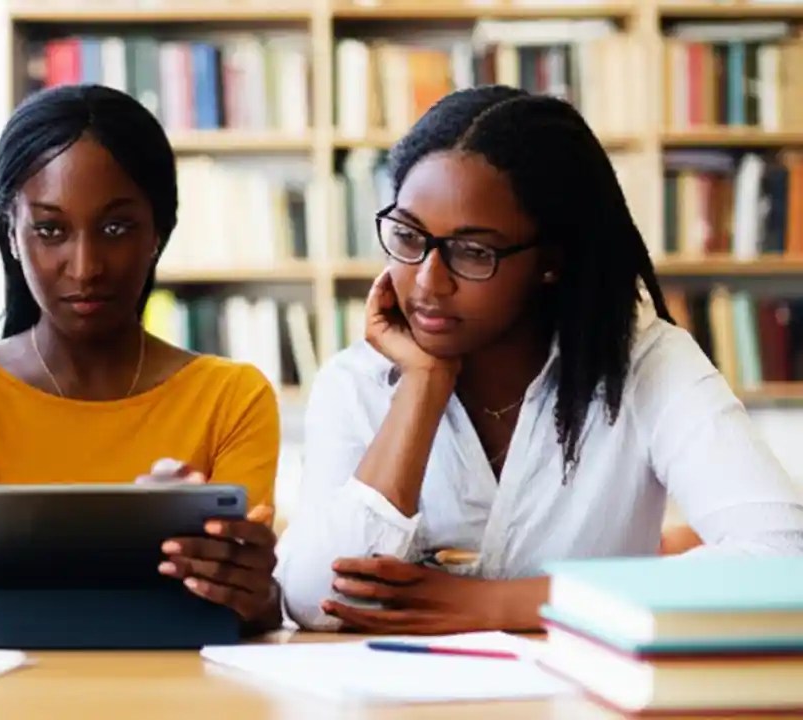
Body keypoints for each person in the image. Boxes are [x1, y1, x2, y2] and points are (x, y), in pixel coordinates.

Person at [275, 86, 803, 633]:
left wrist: (501, 604)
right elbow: (313, 601)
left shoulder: (650, 363)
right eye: (409, 236)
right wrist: (423, 385)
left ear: (550, 261)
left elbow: (786, 559)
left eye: (472, 251)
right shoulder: (357, 380)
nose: (428, 281)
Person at [0, 84, 281, 633]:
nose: (85, 267)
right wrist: (131, 537)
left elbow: (231, 609)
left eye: (115, 228)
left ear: (159, 232)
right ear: (11, 234)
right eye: (50, 230)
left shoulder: (232, 398)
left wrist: (256, 593)